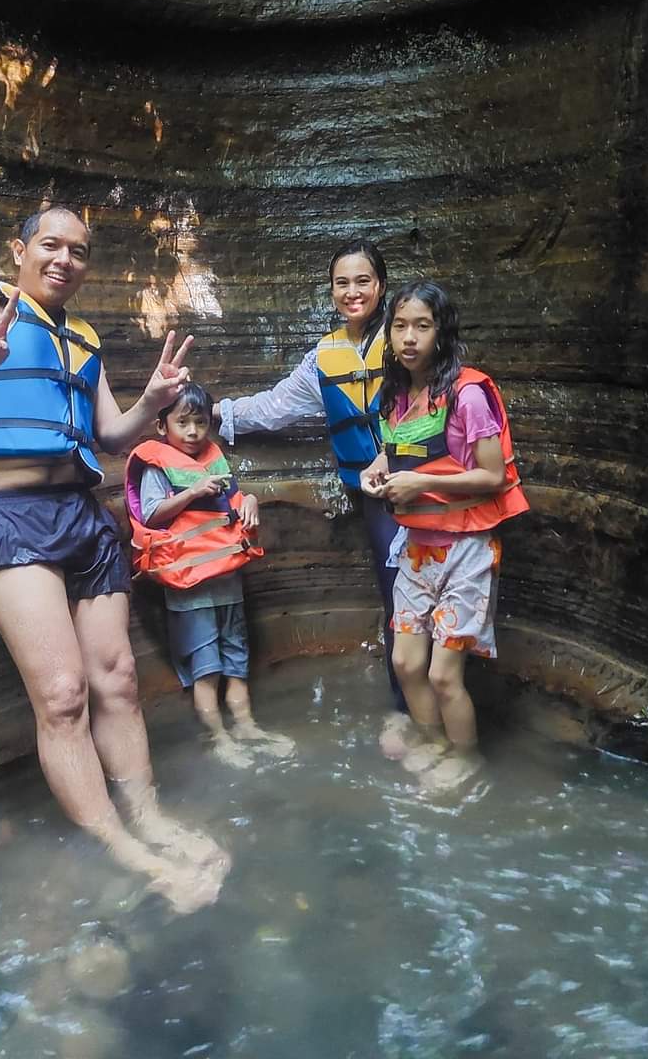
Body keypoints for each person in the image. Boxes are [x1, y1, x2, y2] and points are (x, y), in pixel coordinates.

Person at [0, 205, 229, 913]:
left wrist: (151, 401)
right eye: (50, 244)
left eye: (78, 250)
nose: (64, 259)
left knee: (118, 678)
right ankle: (123, 849)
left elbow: (111, 435)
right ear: (18, 250)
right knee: (62, 693)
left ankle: (149, 816)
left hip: (78, 515)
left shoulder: (80, 336)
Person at [215, 238, 407, 727]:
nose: (352, 292)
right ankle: (406, 713)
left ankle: (431, 713)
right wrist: (211, 413)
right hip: (376, 499)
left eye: (363, 281)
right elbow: (275, 406)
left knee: (423, 596)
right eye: (342, 283)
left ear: (381, 285)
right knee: (396, 598)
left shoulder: (405, 335)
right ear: (331, 291)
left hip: (423, 486)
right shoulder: (325, 356)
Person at [359, 281, 529, 794]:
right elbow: (399, 451)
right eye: (399, 326)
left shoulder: (467, 394)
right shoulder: (395, 395)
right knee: (405, 661)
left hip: (466, 549)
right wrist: (377, 468)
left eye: (422, 326)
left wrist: (420, 484)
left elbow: (493, 475)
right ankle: (433, 743)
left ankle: (466, 757)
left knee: (442, 675)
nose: (409, 338)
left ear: (442, 332)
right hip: (417, 549)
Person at [125, 382, 295, 768]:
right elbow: (150, 514)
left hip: (227, 583)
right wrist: (191, 492)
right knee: (207, 670)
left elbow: (234, 501)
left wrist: (250, 500)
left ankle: (248, 727)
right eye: (182, 422)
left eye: (200, 423)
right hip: (190, 590)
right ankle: (218, 739)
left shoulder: (214, 459)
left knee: (237, 664)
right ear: (162, 426)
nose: (192, 432)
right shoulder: (158, 466)